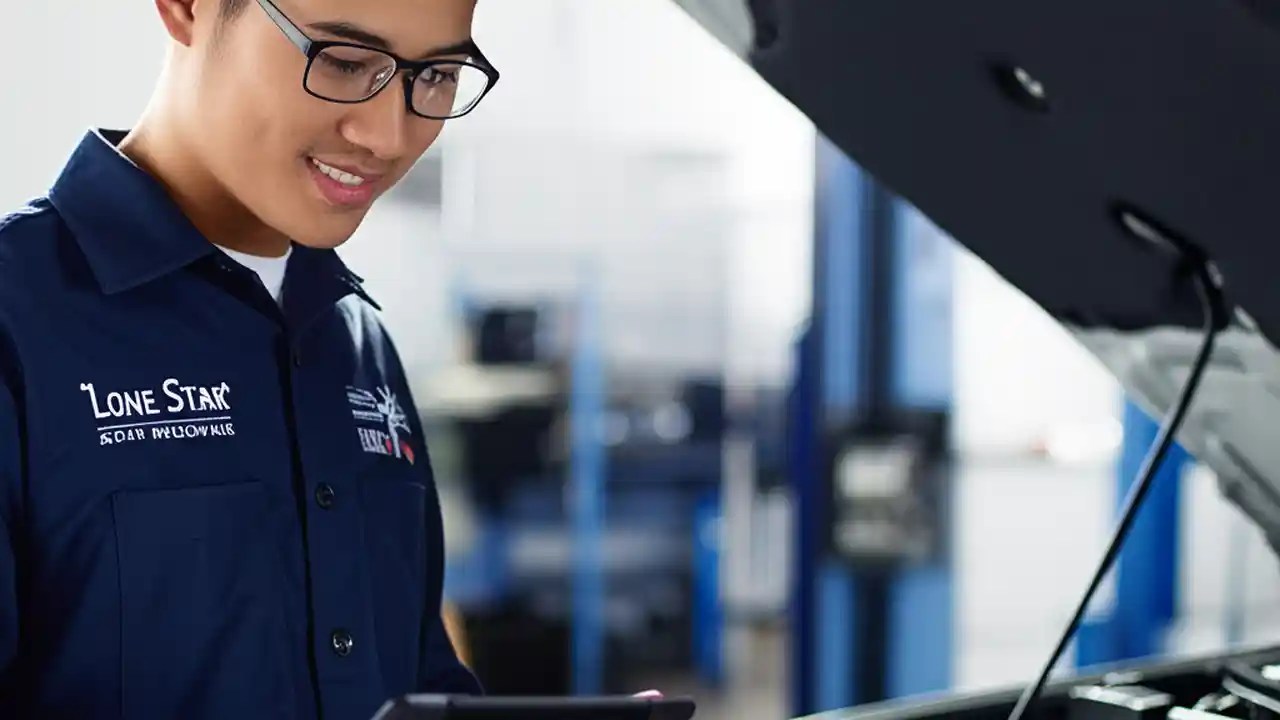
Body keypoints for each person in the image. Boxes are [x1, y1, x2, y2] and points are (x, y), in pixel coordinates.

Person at [0, 0, 500, 717]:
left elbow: (412, 675)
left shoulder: (355, 341)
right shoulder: (17, 321)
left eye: (439, 73)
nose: (387, 136)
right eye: (344, 61)